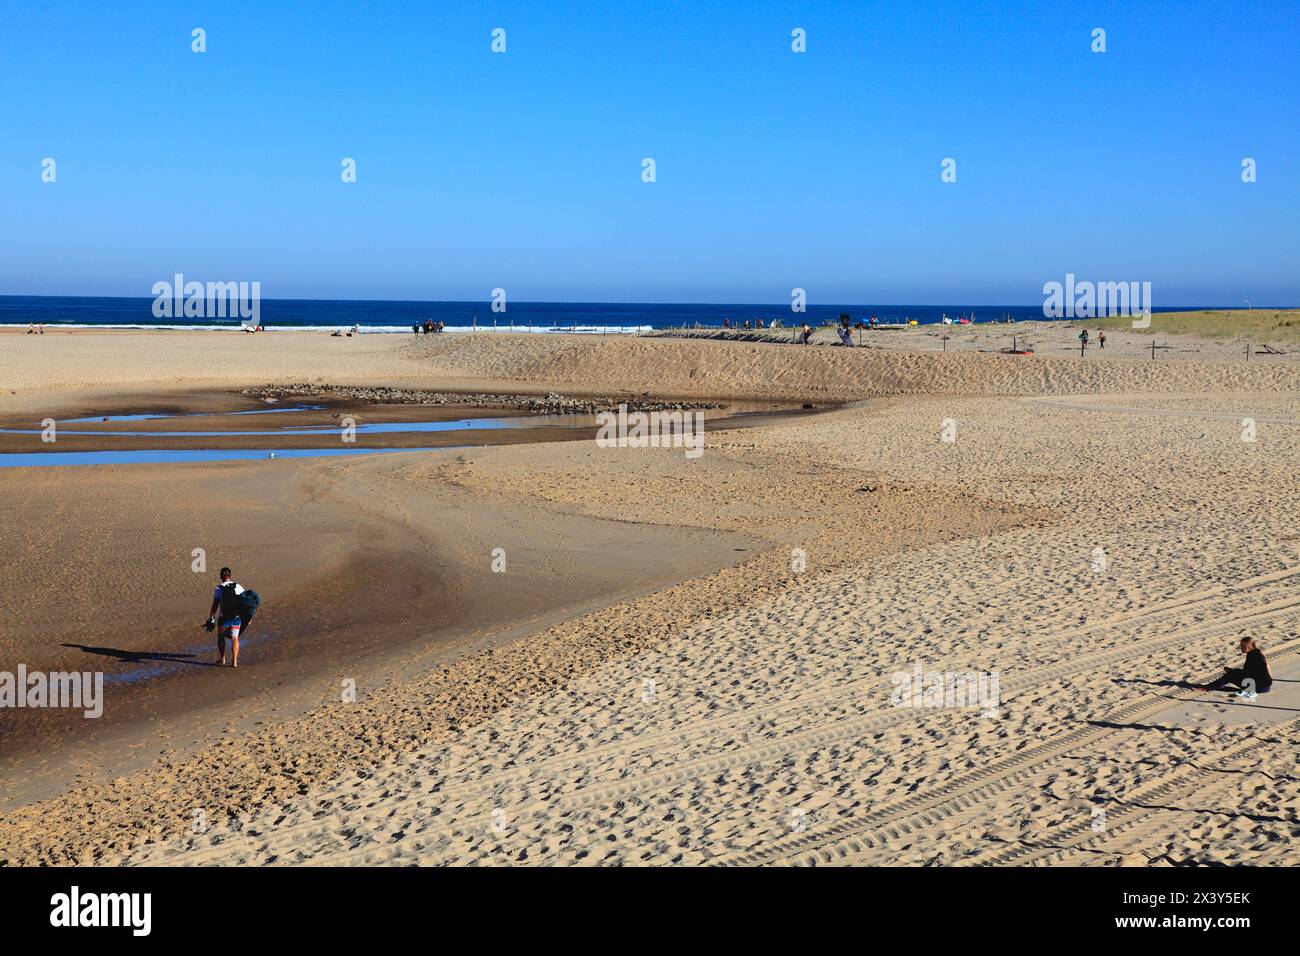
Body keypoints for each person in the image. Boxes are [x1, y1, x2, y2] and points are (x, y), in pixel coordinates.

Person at [1194, 637, 1272, 697]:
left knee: (1230, 676)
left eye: (1243, 646)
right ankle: (1212, 686)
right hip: (1266, 687)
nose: (1241, 647)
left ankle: (1207, 688)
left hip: (1259, 688)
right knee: (1234, 673)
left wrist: (1232, 672)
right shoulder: (1258, 653)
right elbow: (1266, 667)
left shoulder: (1253, 656)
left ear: (1250, 646)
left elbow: (1248, 673)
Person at [205, 567, 247, 667]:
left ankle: (223, 658)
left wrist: (212, 617)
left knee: (221, 638)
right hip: (236, 617)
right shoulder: (238, 586)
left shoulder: (219, 588)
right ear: (230, 576)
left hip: (224, 618)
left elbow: (215, 605)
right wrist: (247, 617)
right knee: (235, 638)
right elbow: (245, 602)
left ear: (221, 576)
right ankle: (235, 661)